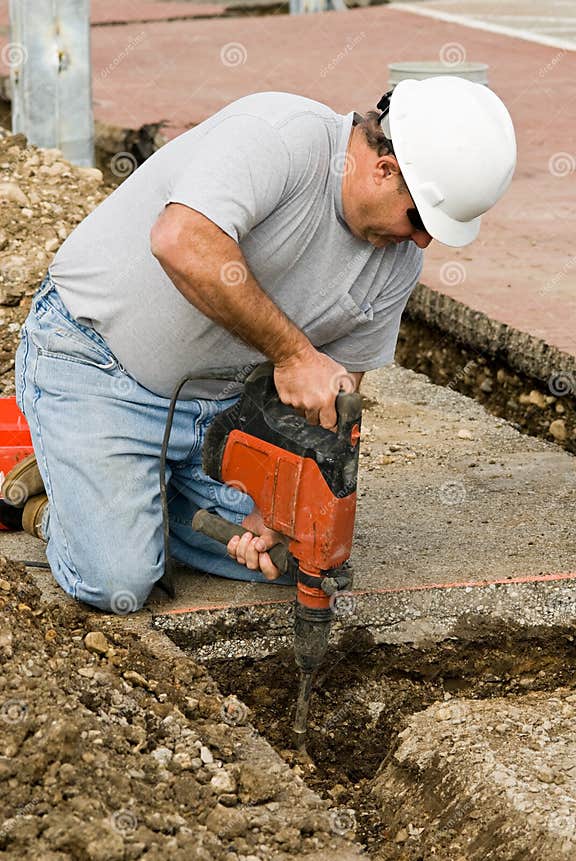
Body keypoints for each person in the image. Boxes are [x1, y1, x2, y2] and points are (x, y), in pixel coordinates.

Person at [2, 78, 516, 613]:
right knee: (119, 581)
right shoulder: (280, 137)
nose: (424, 241)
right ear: (385, 170)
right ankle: (56, 500)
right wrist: (294, 355)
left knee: (304, 556)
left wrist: (275, 513)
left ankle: (128, 489)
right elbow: (181, 241)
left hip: (220, 411)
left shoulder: (397, 262)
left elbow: (331, 405)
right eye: (420, 219)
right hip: (97, 363)